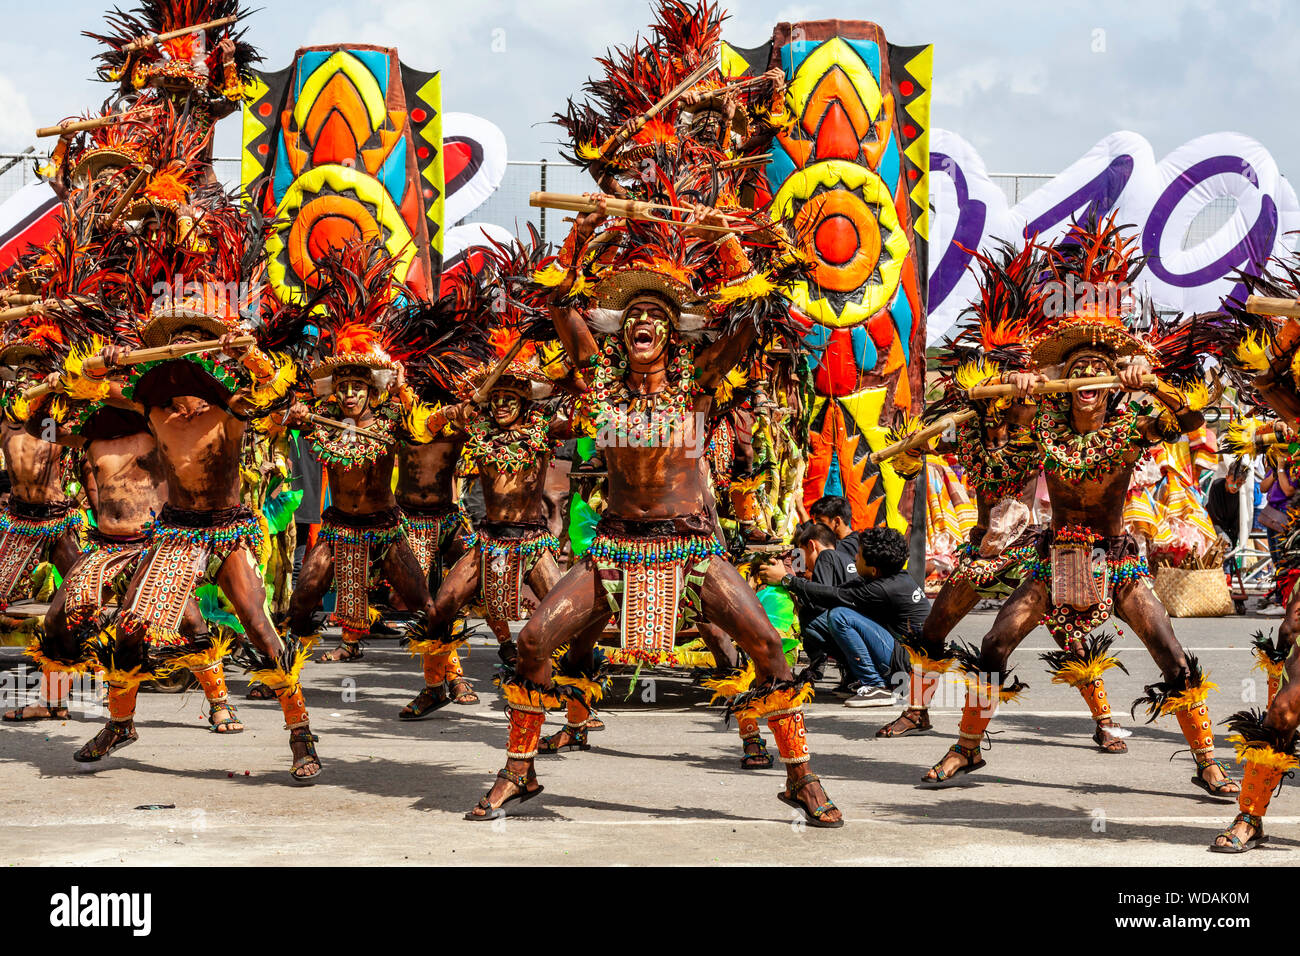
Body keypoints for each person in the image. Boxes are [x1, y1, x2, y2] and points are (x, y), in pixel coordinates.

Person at [464, 201, 841, 827]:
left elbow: (751, 316)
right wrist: (581, 235)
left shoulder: (698, 385)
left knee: (769, 647)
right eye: (633, 316)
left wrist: (733, 241)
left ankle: (800, 777)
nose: (643, 322)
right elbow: (562, 307)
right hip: (614, 550)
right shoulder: (601, 387)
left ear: (673, 334)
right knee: (532, 639)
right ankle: (519, 768)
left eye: (656, 318)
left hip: (691, 547)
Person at [920, 215, 1237, 799]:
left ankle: (1206, 759)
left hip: (1117, 565)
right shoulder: (1043, 424)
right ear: (1065, 382)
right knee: (995, 643)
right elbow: (993, 458)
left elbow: (1192, 426)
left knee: (1169, 649)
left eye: (1097, 374)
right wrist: (1014, 399)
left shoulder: (1132, 425)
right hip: (1055, 560)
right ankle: (967, 748)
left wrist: (1154, 382)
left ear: (1112, 387)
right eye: (1076, 374)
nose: (1086, 380)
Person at [761, 528, 924, 707]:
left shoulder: (884, 588)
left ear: (874, 569)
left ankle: (875, 685)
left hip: (905, 665)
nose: (854, 558)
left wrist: (787, 580)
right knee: (814, 621)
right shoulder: (884, 578)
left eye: (859, 555)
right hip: (896, 654)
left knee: (840, 616)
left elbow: (835, 596)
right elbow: (833, 591)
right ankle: (857, 676)